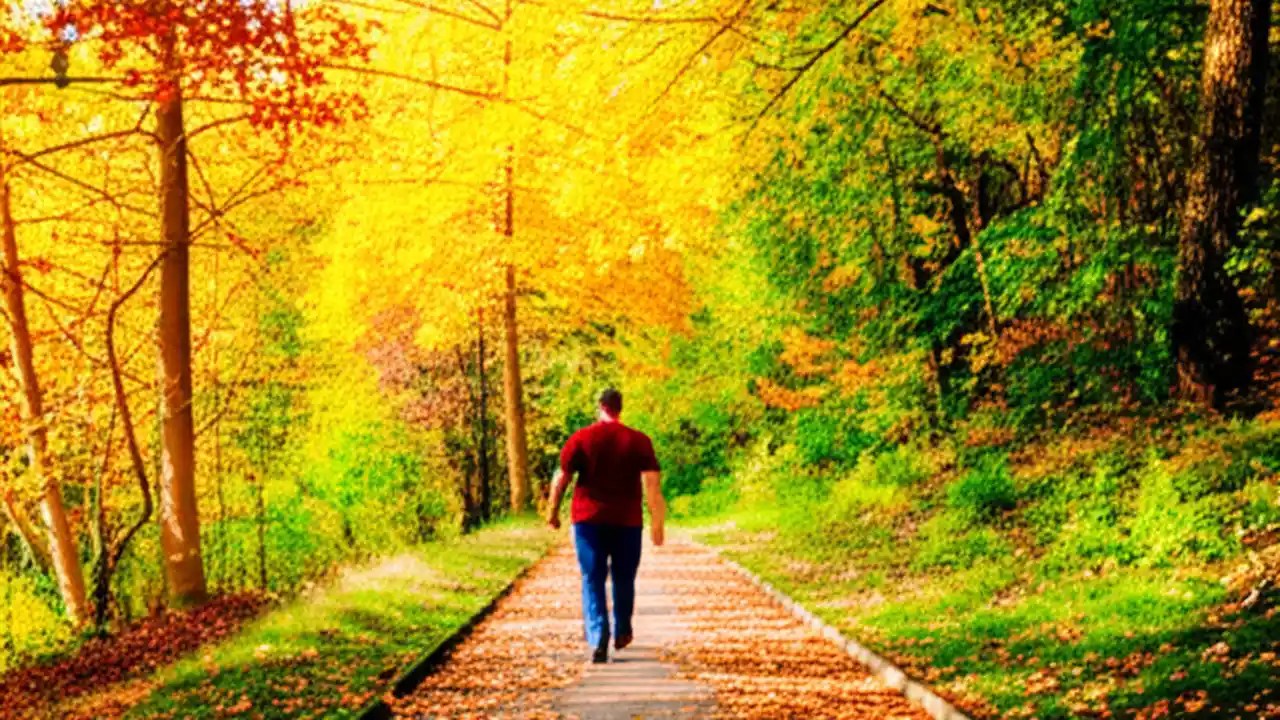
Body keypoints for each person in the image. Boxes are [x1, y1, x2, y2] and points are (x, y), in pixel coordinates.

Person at [546, 388, 666, 664]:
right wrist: (657, 523)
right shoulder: (638, 441)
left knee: (593, 577)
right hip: (627, 523)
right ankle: (622, 629)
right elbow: (652, 486)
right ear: (620, 408)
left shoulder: (581, 438)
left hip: (588, 522)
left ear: (600, 406)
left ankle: (599, 633)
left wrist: (553, 511)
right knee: (624, 577)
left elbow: (561, 477)